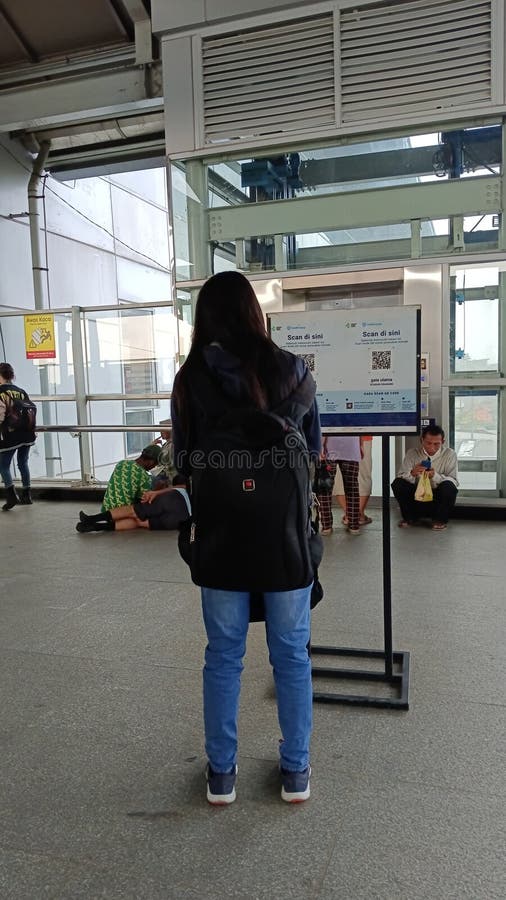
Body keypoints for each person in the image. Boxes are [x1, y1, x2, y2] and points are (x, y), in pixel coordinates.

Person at [171, 270, 321, 806]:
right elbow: (313, 453)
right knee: (291, 655)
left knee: (224, 656)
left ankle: (222, 775)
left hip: (221, 538)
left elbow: (185, 461)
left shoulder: (191, 378)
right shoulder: (293, 371)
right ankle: (296, 772)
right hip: (285, 539)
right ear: (255, 313)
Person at [391, 425, 458, 530]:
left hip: (437, 495)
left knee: (449, 487)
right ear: (422, 440)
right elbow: (401, 475)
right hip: (417, 495)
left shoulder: (450, 454)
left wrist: (435, 476)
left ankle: (440, 520)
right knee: (398, 483)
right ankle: (410, 518)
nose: (432, 447)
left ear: (443, 442)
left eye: (437, 444)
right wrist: (412, 473)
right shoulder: (412, 453)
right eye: (428, 443)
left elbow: (454, 480)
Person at [76, 475, 190, 533]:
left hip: (176, 499)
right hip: (182, 519)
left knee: (133, 511)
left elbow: (184, 487)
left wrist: (157, 492)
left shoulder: (191, 485)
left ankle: (91, 519)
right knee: (140, 522)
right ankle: (96, 527)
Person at [0, 362, 36, 511]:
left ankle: (11, 495)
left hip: (10, 434)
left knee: (3, 465)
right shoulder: (21, 391)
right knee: (23, 463)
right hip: (27, 433)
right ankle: (26, 494)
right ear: (12, 376)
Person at [317, 435, 361, 535]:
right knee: (352, 487)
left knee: (325, 488)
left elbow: (325, 422)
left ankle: (326, 526)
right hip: (351, 445)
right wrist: (360, 444)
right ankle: (354, 526)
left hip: (329, 448)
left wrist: (320, 445)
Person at [98, 444, 161, 512]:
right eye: (155, 465)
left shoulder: (121, 463)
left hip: (105, 511)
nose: (154, 467)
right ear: (151, 462)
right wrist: (157, 490)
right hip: (121, 516)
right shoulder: (144, 476)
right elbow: (144, 501)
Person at [334, 435, 373, 526]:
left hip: (337, 435)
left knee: (340, 476)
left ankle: (348, 514)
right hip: (364, 432)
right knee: (363, 474)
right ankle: (359, 515)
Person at [151, 419, 177, 488]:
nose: (160, 432)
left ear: (169, 431)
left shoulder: (172, 445)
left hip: (169, 480)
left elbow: (161, 461)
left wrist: (152, 447)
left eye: (162, 430)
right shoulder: (166, 444)